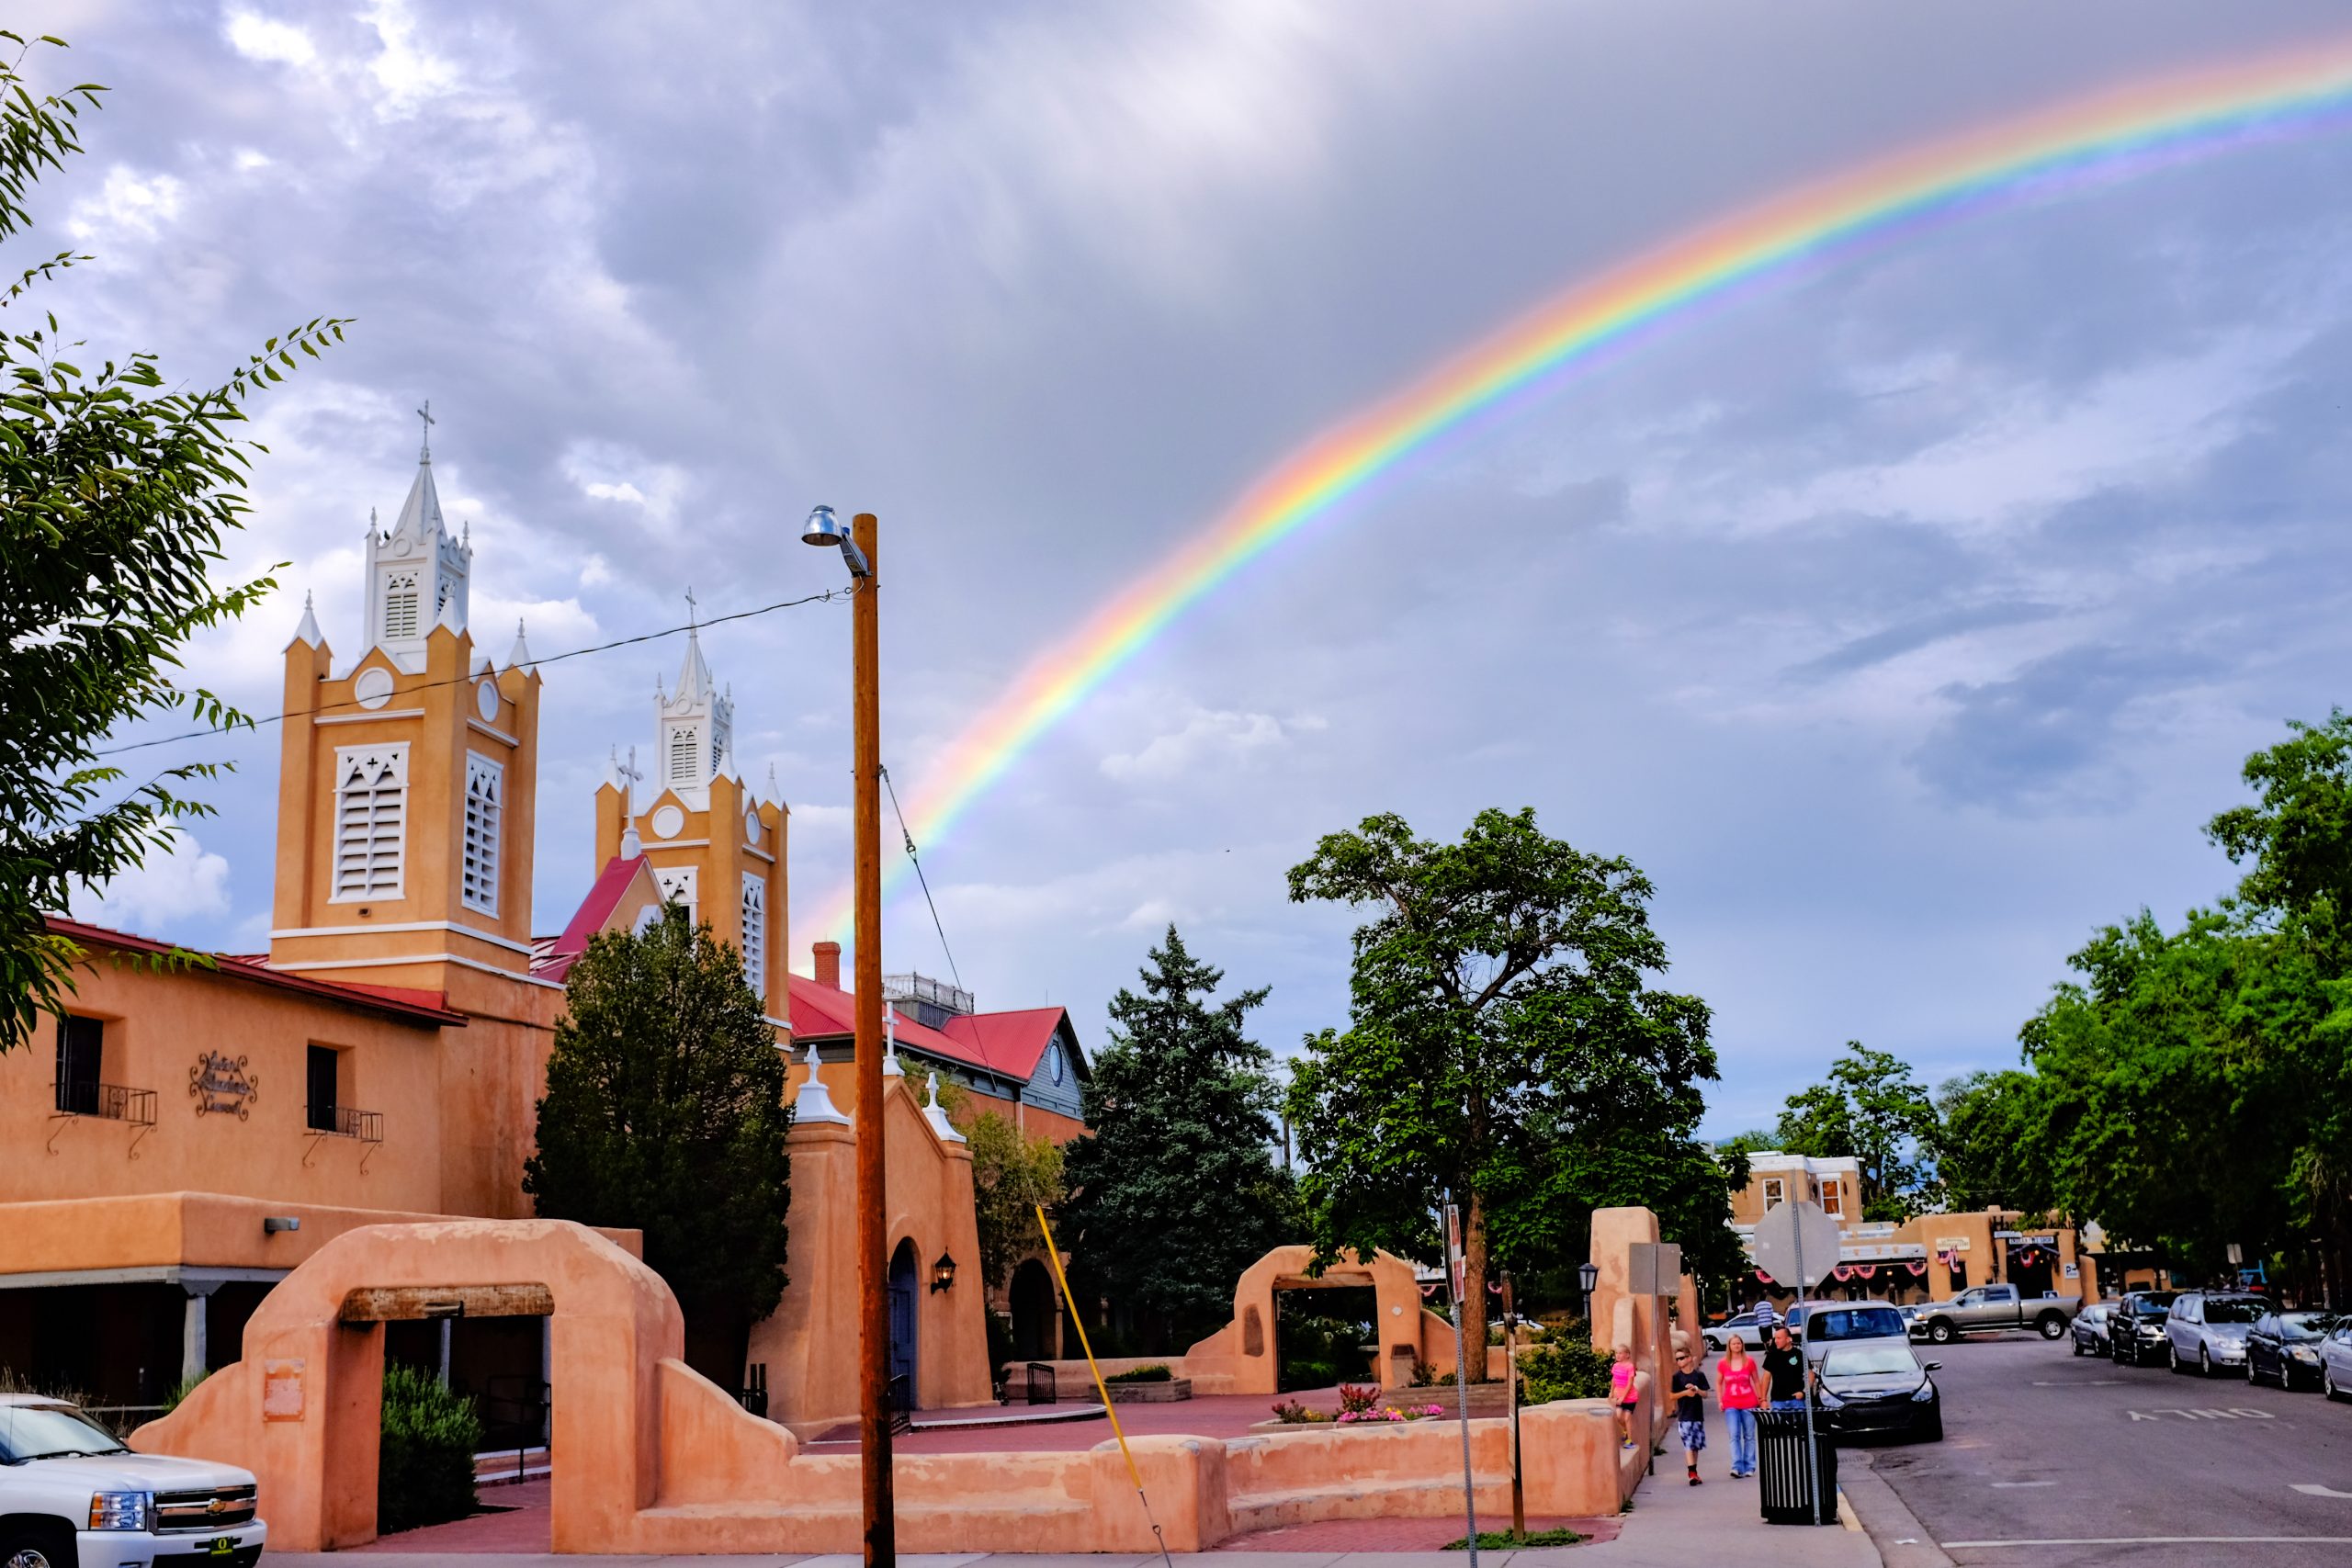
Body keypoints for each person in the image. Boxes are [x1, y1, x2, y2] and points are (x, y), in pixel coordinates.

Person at [1715, 1333, 1762, 1478]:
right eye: (1734, 1343)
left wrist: (1761, 1398)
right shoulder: (1723, 1363)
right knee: (1734, 1435)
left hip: (1748, 1402)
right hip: (1731, 1403)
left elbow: (1756, 1380)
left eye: (1739, 1343)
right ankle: (1737, 1466)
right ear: (1729, 1346)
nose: (1736, 1346)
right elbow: (1718, 1382)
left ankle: (1750, 1466)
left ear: (1742, 1345)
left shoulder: (1749, 1361)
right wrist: (1720, 1400)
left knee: (1749, 1435)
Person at [1669, 1345, 1710, 1485]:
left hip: (1697, 1415)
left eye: (1681, 1358)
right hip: (1684, 1415)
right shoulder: (1677, 1377)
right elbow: (1671, 1396)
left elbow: (1705, 1394)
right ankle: (1691, 1472)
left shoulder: (1699, 1375)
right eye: (1677, 1359)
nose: (1679, 1361)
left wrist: (1696, 1390)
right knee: (1688, 1443)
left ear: (1688, 1358)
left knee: (1695, 1446)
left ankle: (1694, 1472)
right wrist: (1685, 1393)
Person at [1763, 1322, 1807, 1412]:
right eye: (1775, 1338)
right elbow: (1766, 1378)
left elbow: (1810, 1375)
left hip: (1797, 1400)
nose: (1776, 1341)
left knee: (1800, 1425)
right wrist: (1763, 1399)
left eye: (1779, 1338)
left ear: (1788, 1339)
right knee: (1780, 1425)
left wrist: (1804, 1392)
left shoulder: (1799, 1354)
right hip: (1777, 1401)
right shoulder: (1772, 1355)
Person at [1608, 1341, 1639, 1449]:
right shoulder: (1616, 1366)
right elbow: (1614, 1379)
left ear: (1627, 1355)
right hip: (1619, 1396)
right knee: (1618, 1416)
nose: (1618, 1355)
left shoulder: (1630, 1366)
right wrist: (1611, 1391)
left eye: (1621, 1353)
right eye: (1617, 1353)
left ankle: (1629, 1441)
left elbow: (1630, 1384)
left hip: (1630, 1398)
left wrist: (1623, 1397)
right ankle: (1626, 1431)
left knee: (1627, 1418)